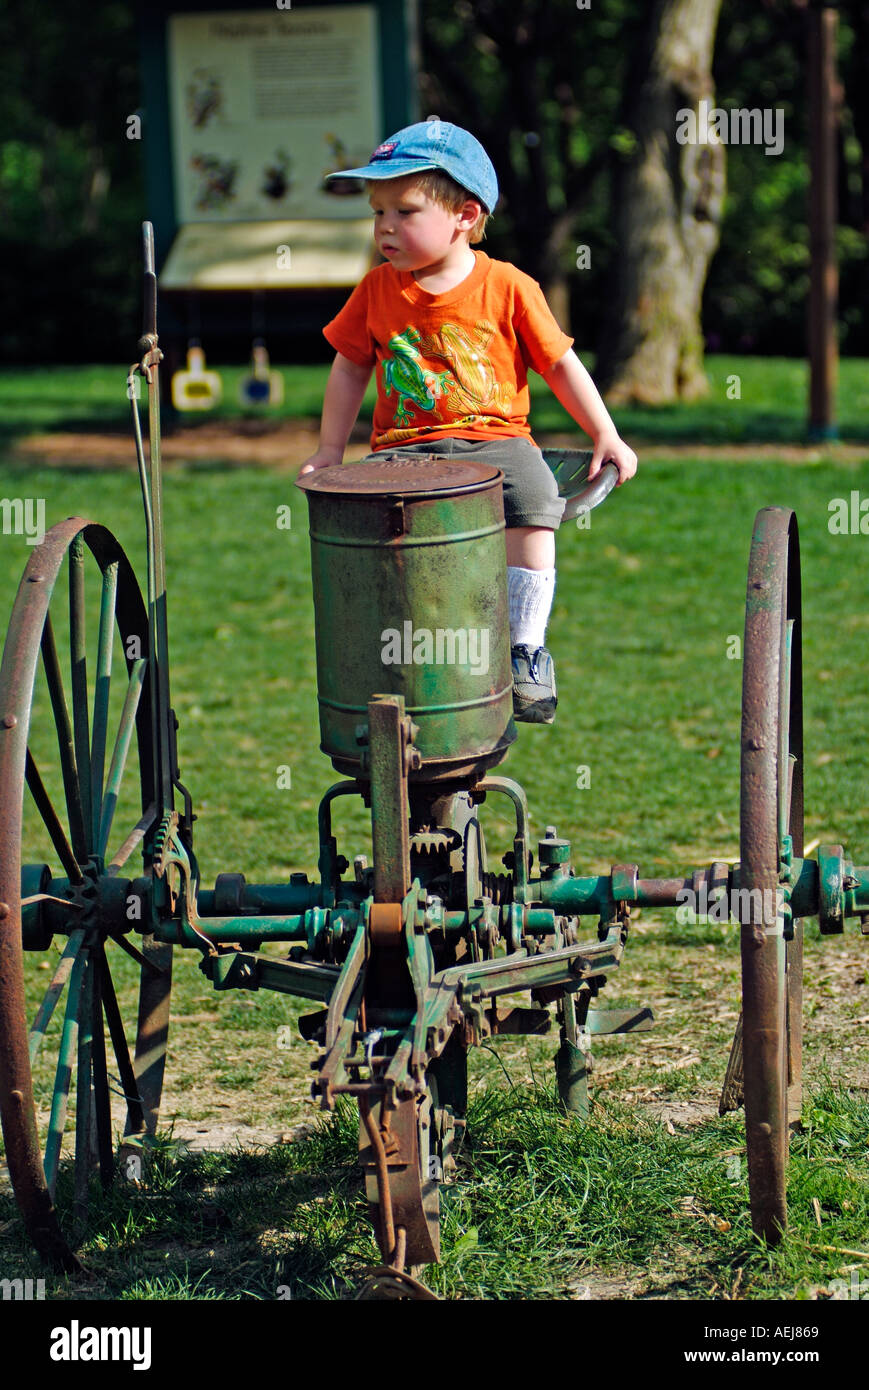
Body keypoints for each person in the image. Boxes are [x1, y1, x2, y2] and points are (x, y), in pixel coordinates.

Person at [299, 121, 637, 723]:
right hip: (403, 449)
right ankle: (390, 650)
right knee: (366, 521)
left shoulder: (506, 286)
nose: (384, 227)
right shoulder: (376, 290)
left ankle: (525, 646)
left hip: (495, 441)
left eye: (404, 211)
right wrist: (330, 450)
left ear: (464, 213)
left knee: (535, 497)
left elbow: (559, 364)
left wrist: (604, 433)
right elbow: (351, 368)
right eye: (377, 213)